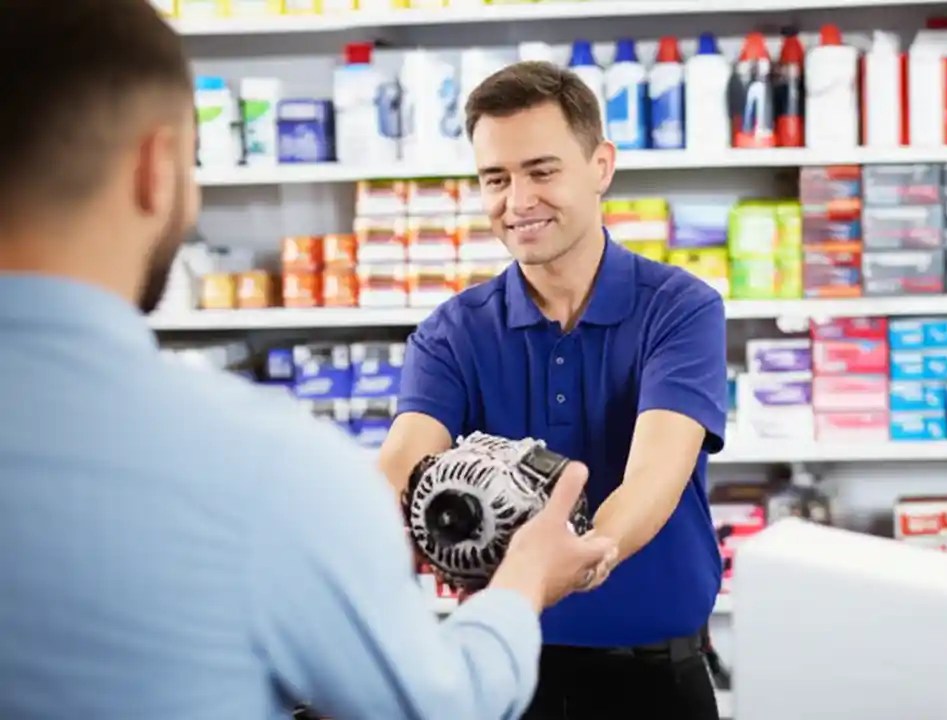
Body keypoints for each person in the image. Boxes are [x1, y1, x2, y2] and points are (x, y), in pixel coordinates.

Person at [0, 3, 615, 719]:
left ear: (598, 166)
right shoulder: (261, 467)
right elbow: (434, 708)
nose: (516, 199)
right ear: (157, 168)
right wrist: (526, 578)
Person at [378, 61, 729, 720]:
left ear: (601, 165)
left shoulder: (680, 309)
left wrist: (584, 557)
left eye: (542, 171)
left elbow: (655, 478)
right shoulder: (453, 333)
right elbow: (401, 463)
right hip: (505, 676)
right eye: (495, 179)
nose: (518, 201)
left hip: (655, 679)